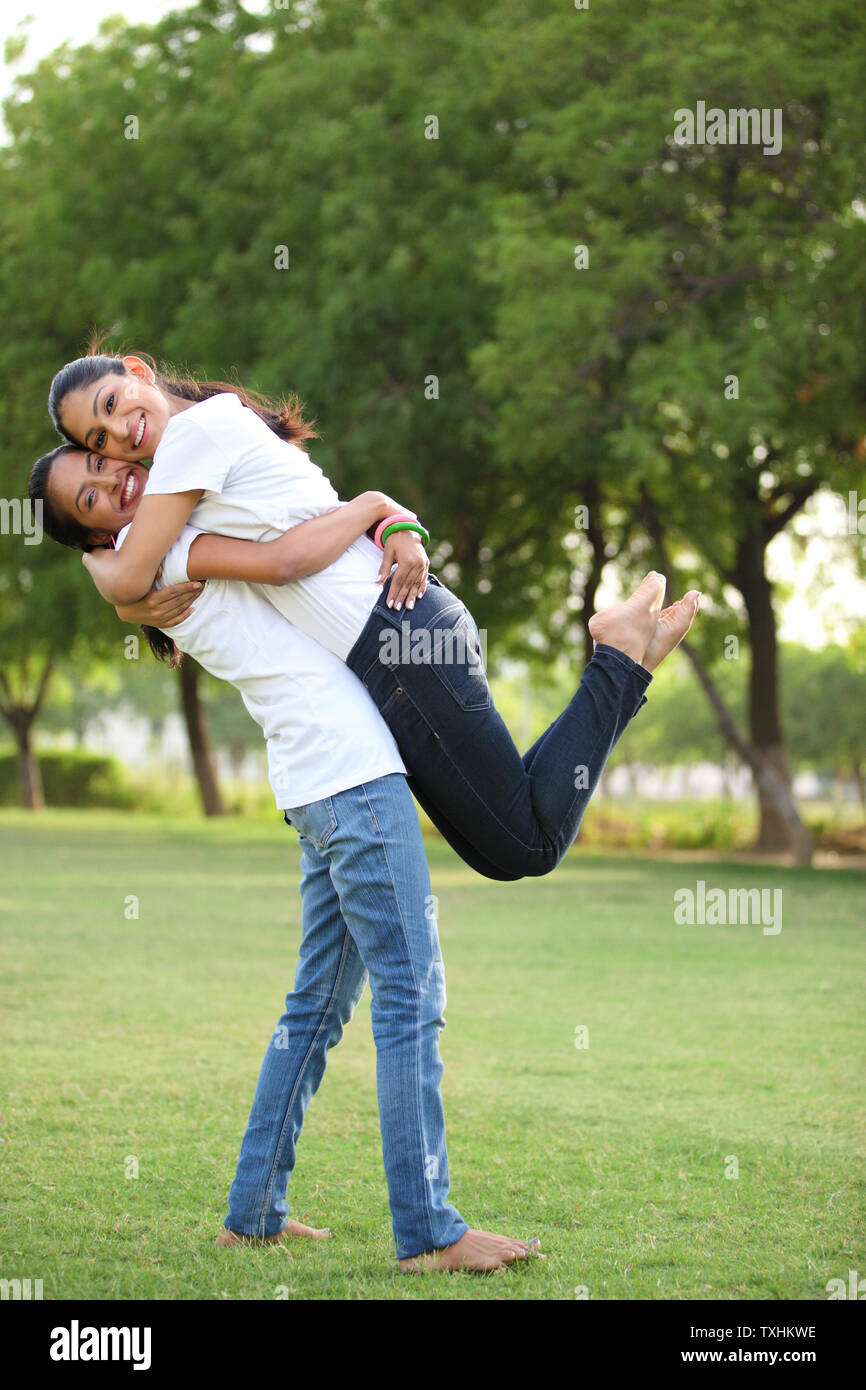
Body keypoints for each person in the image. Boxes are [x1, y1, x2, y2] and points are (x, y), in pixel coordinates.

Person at [29, 452, 543, 1275]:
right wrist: (377, 503)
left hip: (318, 780)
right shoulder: (156, 551)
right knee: (411, 994)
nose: (119, 479)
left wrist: (115, 585)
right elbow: (284, 556)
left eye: (107, 464)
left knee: (317, 1006)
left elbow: (153, 569)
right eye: (93, 497)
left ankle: (254, 1212)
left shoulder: (155, 550)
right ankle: (429, 1233)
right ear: (95, 533)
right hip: (352, 778)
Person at [40, 350, 701, 881]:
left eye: (110, 406)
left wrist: (100, 573)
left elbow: (187, 569)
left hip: (399, 637)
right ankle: (626, 665)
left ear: (136, 370)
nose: (120, 430)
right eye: (98, 437)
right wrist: (392, 521)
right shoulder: (200, 452)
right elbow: (310, 515)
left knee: (523, 847)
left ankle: (617, 656)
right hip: (398, 641)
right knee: (503, 844)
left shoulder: (192, 437)